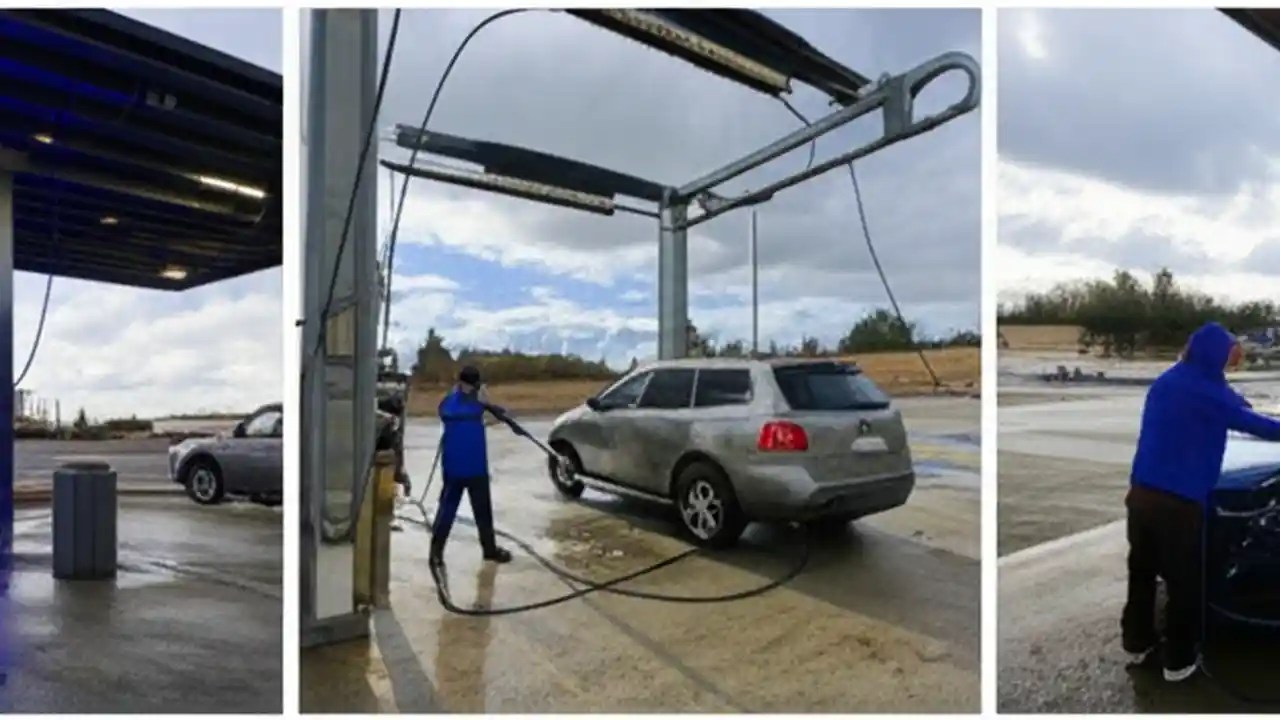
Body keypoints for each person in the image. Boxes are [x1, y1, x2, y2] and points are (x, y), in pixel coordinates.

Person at [1123, 321, 1280, 682]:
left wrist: (1235, 401)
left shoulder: (1169, 381)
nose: (1233, 361)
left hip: (1140, 497)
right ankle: (1178, 662)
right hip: (1177, 505)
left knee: (1142, 573)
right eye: (1230, 355)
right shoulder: (1208, 393)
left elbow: (1225, 399)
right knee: (1185, 584)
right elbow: (1259, 426)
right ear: (1216, 355)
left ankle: (1137, 642)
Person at [429, 366, 514, 569]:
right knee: (447, 512)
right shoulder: (456, 404)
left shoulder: (471, 404)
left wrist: (489, 405)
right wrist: (484, 403)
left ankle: (489, 550)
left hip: (475, 467)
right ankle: (436, 553)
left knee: (483, 512)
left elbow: (498, 416)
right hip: (457, 469)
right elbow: (449, 411)